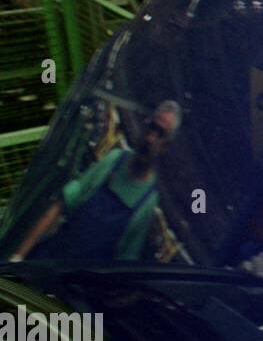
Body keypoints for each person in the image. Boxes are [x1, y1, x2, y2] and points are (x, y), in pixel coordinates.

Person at [9, 102, 181, 262]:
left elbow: (125, 261)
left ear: (166, 146)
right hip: (50, 257)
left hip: (80, 284)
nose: (151, 138)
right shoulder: (114, 160)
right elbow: (59, 206)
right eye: (152, 127)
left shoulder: (148, 201)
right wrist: (18, 257)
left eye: (160, 134)